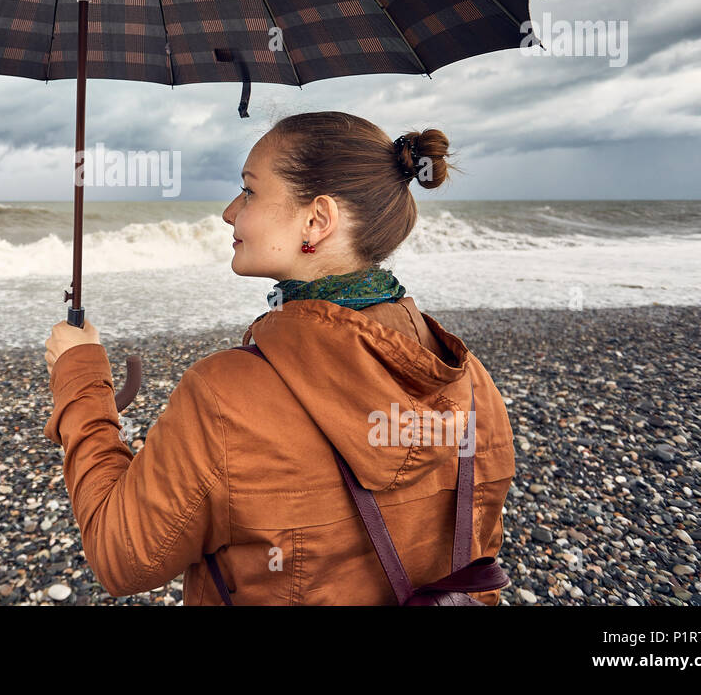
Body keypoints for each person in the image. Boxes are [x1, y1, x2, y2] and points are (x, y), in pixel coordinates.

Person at [43, 111, 516, 605]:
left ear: (317, 219)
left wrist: (80, 380)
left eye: (249, 191)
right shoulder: (473, 384)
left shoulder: (224, 395)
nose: (230, 212)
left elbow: (120, 555)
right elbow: (477, 562)